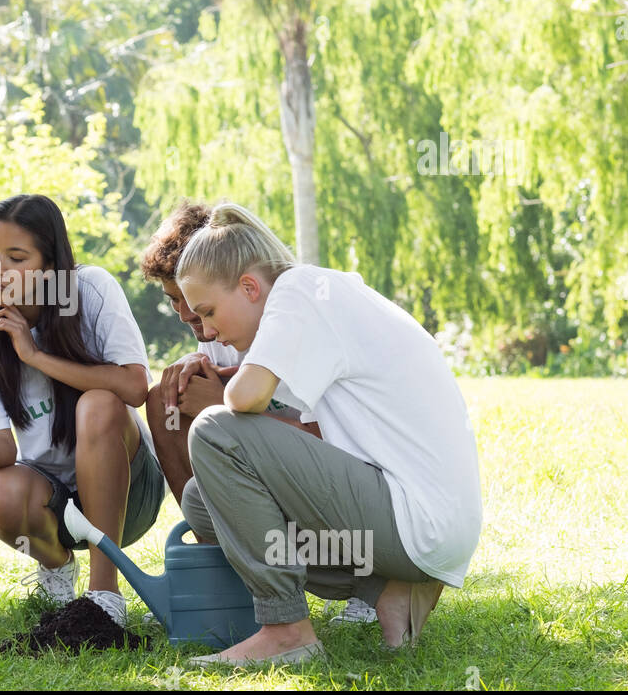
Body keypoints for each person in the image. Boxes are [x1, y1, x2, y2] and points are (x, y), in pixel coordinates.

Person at [175, 203, 482, 667]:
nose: (209, 331)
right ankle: (387, 591)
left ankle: (286, 633)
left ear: (250, 286)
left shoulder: (299, 289)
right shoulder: (322, 295)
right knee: (203, 500)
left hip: (414, 519)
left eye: (209, 312)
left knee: (215, 432)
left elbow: (244, 399)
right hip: (428, 526)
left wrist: (223, 386)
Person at [139, 202, 377, 627]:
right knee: (166, 399)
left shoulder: (294, 316)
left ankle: (368, 580)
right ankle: (225, 556)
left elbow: (334, 434)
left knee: (217, 421)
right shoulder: (214, 336)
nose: (186, 315)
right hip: (281, 475)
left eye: (197, 304)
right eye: (173, 300)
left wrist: (223, 406)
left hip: (349, 487)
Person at [0, 194, 167, 626]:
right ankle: (57, 568)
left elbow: (135, 387)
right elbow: (4, 451)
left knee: (98, 404)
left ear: (49, 266)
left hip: (130, 492)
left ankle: (104, 595)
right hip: (52, 503)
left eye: (16, 257)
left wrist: (37, 357)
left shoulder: (91, 289)